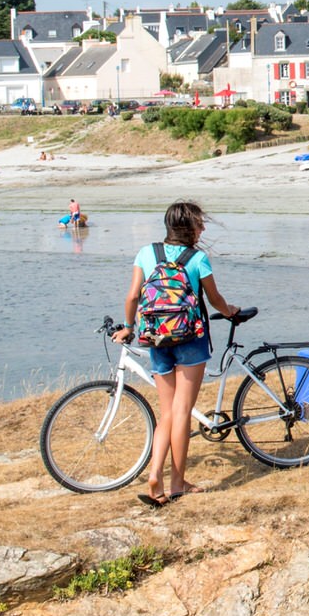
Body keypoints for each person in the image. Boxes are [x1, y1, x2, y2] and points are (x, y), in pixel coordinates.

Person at [116, 201, 238, 507]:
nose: (203, 228)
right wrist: (231, 311)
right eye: (199, 223)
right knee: (183, 411)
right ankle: (177, 482)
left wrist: (128, 327)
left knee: (167, 413)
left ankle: (155, 473)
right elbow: (215, 299)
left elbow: (132, 296)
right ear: (188, 227)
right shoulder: (197, 258)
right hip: (191, 340)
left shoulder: (147, 253)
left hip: (156, 338)